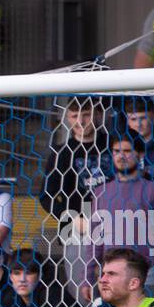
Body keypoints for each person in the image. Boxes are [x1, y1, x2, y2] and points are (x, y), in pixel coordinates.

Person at [41, 98, 112, 296]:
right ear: (68, 119)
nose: (81, 120)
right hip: (75, 228)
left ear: (98, 115)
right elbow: (46, 196)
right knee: (81, 291)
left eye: (87, 114)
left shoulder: (113, 145)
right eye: (75, 115)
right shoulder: (60, 152)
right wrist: (72, 219)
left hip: (113, 223)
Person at [84, 135, 154, 297]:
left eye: (127, 151)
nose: (121, 156)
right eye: (116, 151)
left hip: (146, 274)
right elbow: (94, 240)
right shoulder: (101, 192)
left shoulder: (152, 190)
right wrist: (87, 279)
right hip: (111, 275)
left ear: (140, 154)